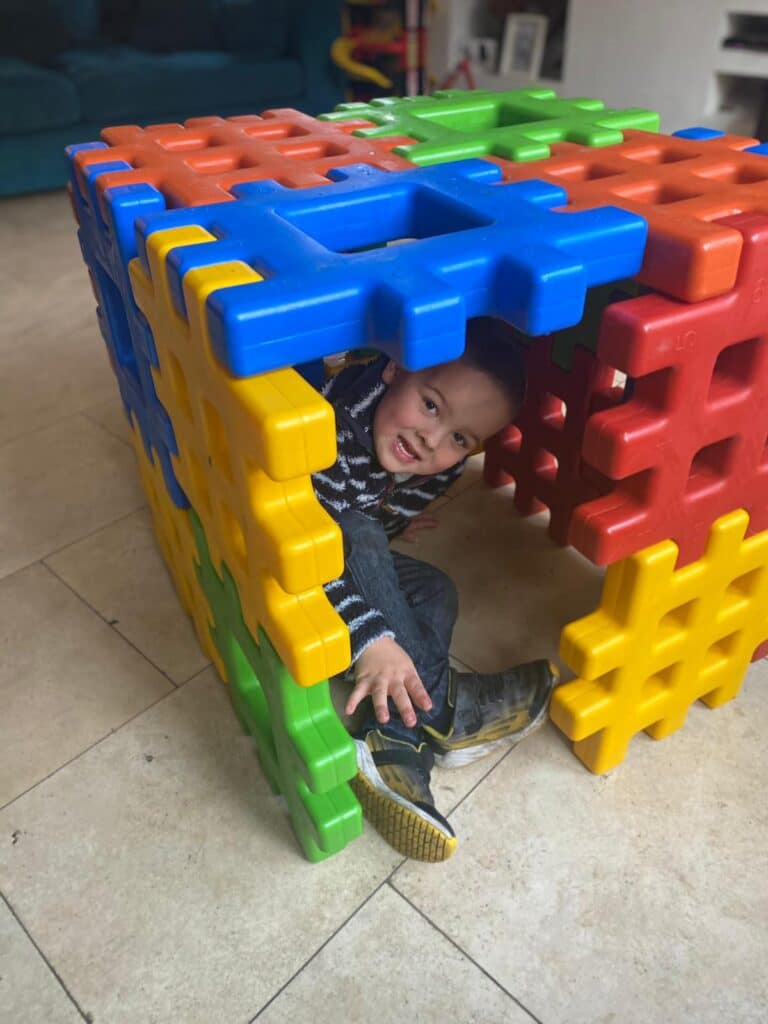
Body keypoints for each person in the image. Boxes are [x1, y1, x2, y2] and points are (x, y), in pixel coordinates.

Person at [312, 317, 558, 862]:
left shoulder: (437, 465)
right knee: (358, 533)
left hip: (344, 547)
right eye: (430, 405)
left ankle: (394, 742)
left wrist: (389, 522)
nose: (432, 439)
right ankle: (445, 710)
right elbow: (312, 553)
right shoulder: (332, 429)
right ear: (395, 368)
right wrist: (372, 640)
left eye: (460, 439)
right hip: (295, 560)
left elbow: (374, 507)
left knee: (436, 588)